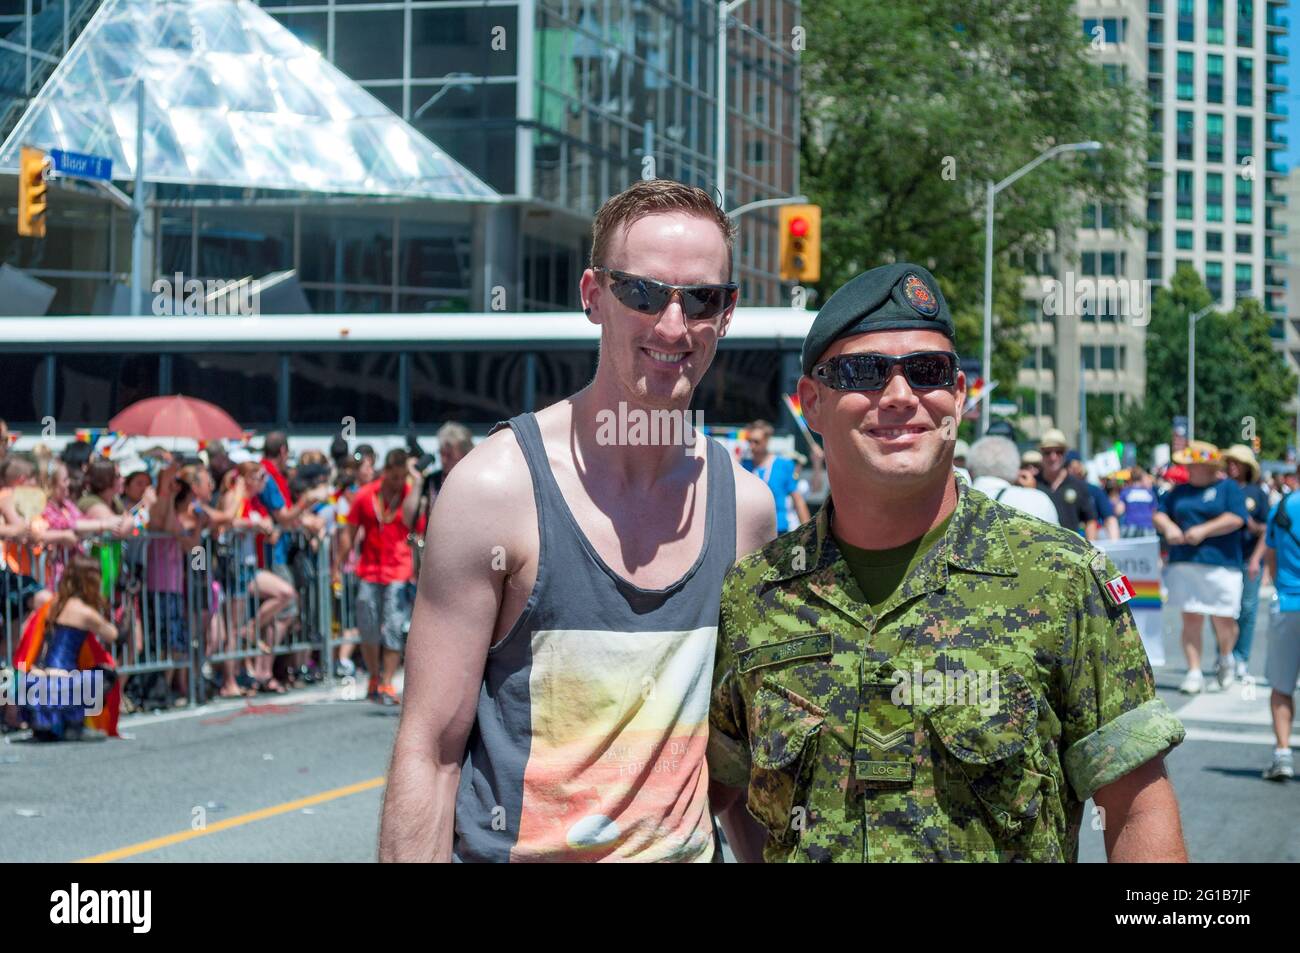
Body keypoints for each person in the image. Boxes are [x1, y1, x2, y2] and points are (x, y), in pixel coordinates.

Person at [708, 262, 1187, 863]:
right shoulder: (758, 594)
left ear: (958, 396)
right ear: (813, 403)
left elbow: (1137, 808)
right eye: (864, 372)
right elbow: (716, 790)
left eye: (928, 372)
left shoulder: (1061, 578)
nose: (901, 397)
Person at [379, 179, 776, 863]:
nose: (674, 326)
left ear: (728, 310)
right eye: (643, 293)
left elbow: (739, 776)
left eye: (702, 298)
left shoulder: (744, 509)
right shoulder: (495, 490)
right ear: (593, 295)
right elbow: (431, 753)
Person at [1152, 441, 1248, 695]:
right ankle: (1194, 672)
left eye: (1193, 465)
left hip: (1222, 563)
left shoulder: (1228, 488)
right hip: (1185, 561)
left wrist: (1204, 530)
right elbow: (1160, 513)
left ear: (1207, 466)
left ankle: (1226, 657)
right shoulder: (1178, 492)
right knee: (1191, 618)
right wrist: (1170, 527)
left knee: (1223, 619)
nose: (1188, 469)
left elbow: (1237, 518)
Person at [339, 448, 421, 707]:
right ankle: (374, 677)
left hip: (398, 569)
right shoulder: (365, 496)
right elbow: (349, 531)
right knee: (368, 625)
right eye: (394, 477)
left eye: (402, 477)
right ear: (385, 472)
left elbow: (416, 530)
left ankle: (387, 680)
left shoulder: (409, 495)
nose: (398, 482)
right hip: (370, 570)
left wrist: (415, 484)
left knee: (394, 626)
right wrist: (338, 564)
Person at [14, 554, 119, 741]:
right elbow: (112, 634)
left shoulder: (54, 603)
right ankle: (74, 724)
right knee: (107, 673)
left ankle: (45, 727)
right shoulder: (85, 612)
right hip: (64, 682)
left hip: (36, 681)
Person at [1252, 469, 1300, 780]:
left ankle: (1282, 754)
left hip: (1289, 601)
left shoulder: (1282, 506)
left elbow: (1272, 555)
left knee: (1282, 685)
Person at [1223, 445, 1268, 681]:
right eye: (1229, 462)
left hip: (1249, 557)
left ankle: (1241, 657)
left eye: (1237, 463)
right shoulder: (1222, 489)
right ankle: (1225, 655)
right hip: (1224, 557)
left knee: (1248, 609)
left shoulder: (1257, 493)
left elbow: (1266, 530)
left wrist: (1256, 559)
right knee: (1224, 610)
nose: (1232, 466)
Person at [967, 435, 1059, 524]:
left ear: (970, 471)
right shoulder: (1039, 501)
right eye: (1026, 465)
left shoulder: (958, 501)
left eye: (1036, 466)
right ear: (1017, 468)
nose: (1032, 470)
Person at [743, 419, 809, 532]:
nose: (752, 446)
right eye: (749, 441)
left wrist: (808, 533)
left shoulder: (783, 464)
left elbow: (798, 500)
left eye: (756, 441)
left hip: (778, 531)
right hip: (751, 531)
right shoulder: (743, 466)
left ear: (767, 440)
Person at [1036, 430, 1098, 536]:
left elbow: (1090, 521)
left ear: (1065, 453)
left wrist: (1090, 548)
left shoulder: (1078, 485)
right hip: (1038, 550)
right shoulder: (1033, 485)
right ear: (1041, 454)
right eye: (1048, 452)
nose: (1053, 457)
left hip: (1070, 551)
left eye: (1058, 451)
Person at [1067, 452, 1119, 541]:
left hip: (1091, 543)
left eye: (1076, 467)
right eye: (1071, 468)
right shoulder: (1058, 491)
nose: (1074, 471)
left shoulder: (1094, 491)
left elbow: (1110, 519)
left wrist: (1115, 545)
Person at [1118, 466, 1159, 537]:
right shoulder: (1149, 493)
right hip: (1148, 526)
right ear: (1141, 477)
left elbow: (1119, 510)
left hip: (1130, 526)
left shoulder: (1126, 492)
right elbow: (1154, 511)